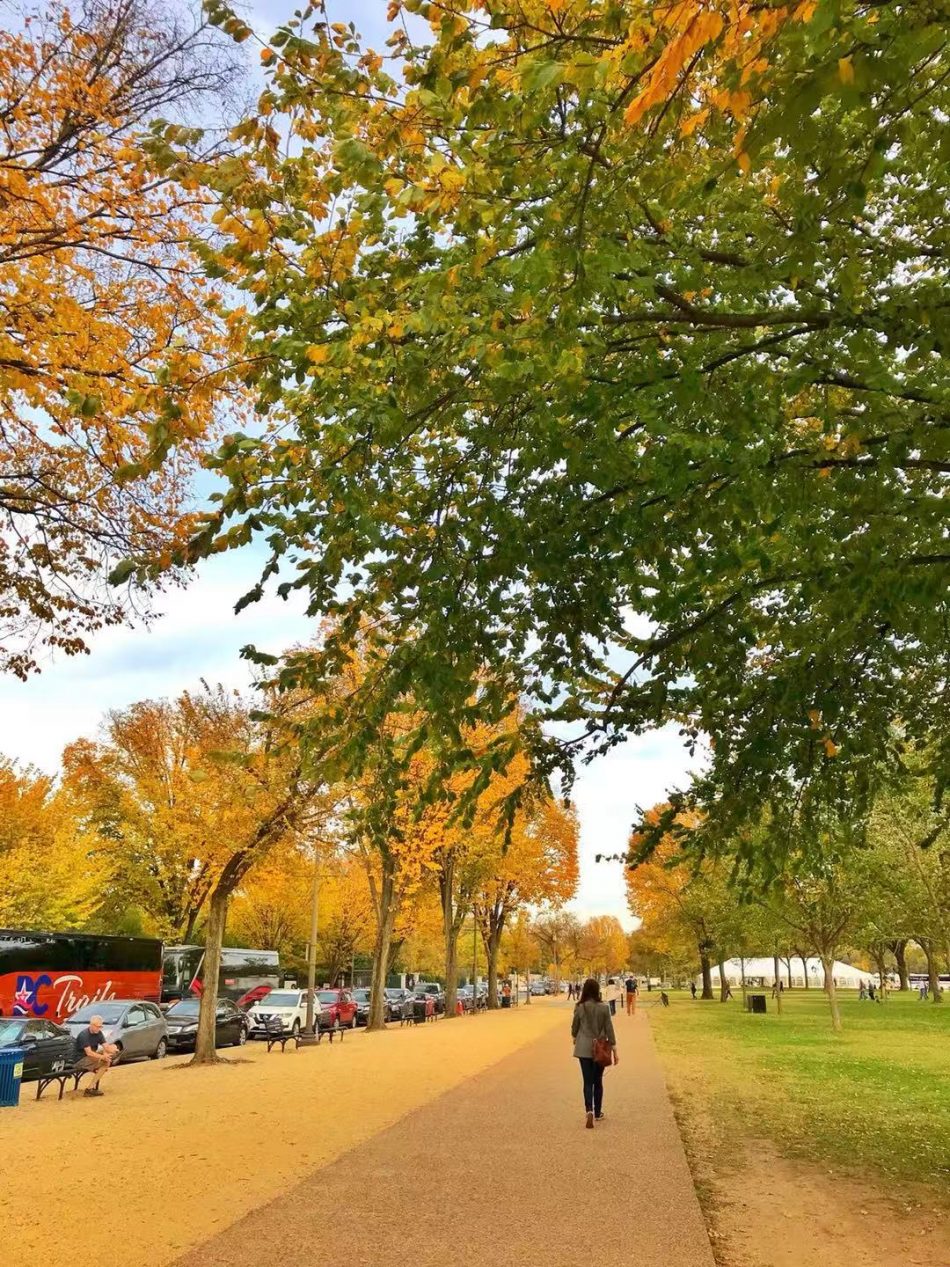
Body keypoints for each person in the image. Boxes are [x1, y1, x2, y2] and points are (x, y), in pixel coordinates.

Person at [571, 978, 617, 1129]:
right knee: (598, 1081)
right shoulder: (604, 1008)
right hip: (600, 1048)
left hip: (583, 1047)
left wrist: (574, 1036)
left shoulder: (580, 1007)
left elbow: (575, 1026)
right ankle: (597, 1112)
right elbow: (609, 1028)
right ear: (597, 990)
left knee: (587, 1081)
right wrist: (614, 1049)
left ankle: (589, 1110)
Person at [72, 1014, 118, 1097]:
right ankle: (89, 1089)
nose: (99, 1028)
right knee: (105, 1062)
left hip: (90, 1057)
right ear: (91, 1025)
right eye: (97, 1026)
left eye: (100, 1026)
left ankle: (90, 1087)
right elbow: (89, 1053)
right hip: (80, 1060)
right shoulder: (84, 1035)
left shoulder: (99, 1033)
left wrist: (113, 1049)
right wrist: (103, 1057)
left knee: (106, 1060)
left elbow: (106, 1047)